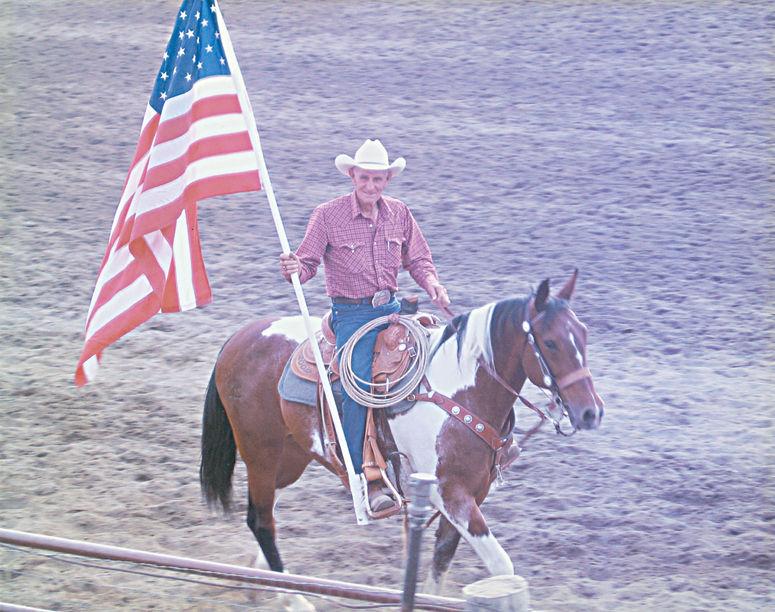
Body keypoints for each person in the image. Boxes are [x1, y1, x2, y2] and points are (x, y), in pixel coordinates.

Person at [279, 139, 450, 512]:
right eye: (364, 178)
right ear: (352, 176)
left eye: (378, 179)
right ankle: (361, 475)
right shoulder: (327, 215)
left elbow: (418, 259)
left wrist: (432, 284)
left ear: (387, 179)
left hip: (391, 309)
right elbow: (307, 264)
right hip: (351, 315)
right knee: (356, 386)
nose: (371, 185)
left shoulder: (399, 213)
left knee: (437, 355)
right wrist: (295, 268)